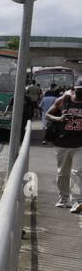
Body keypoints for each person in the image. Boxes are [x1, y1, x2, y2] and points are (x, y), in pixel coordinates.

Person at [44, 80, 82, 212]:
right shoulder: (63, 100)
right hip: (63, 143)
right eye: (79, 90)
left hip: (80, 144)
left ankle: (77, 201)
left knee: (78, 172)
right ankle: (64, 198)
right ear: (73, 89)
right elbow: (48, 114)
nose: (81, 93)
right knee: (63, 173)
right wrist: (59, 119)